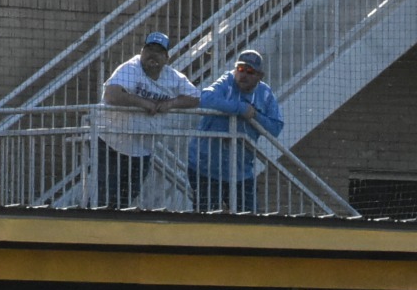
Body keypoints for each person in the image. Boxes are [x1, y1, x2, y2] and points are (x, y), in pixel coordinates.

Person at [98, 31, 200, 209]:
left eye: (159, 51)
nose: (153, 54)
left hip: (142, 149)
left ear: (166, 57)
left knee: (126, 199)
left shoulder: (172, 77)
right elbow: (112, 95)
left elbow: (195, 98)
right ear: (142, 51)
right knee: (105, 198)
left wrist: (171, 104)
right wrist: (142, 103)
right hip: (112, 144)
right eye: (149, 49)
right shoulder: (130, 68)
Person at [189, 50, 283, 214]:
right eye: (240, 69)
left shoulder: (265, 94)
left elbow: (276, 127)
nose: (244, 75)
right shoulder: (226, 82)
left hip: (240, 172)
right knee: (206, 219)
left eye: (250, 72)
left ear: (260, 76)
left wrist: (255, 115)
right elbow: (204, 99)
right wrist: (240, 109)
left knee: (249, 220)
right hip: (206, 168)